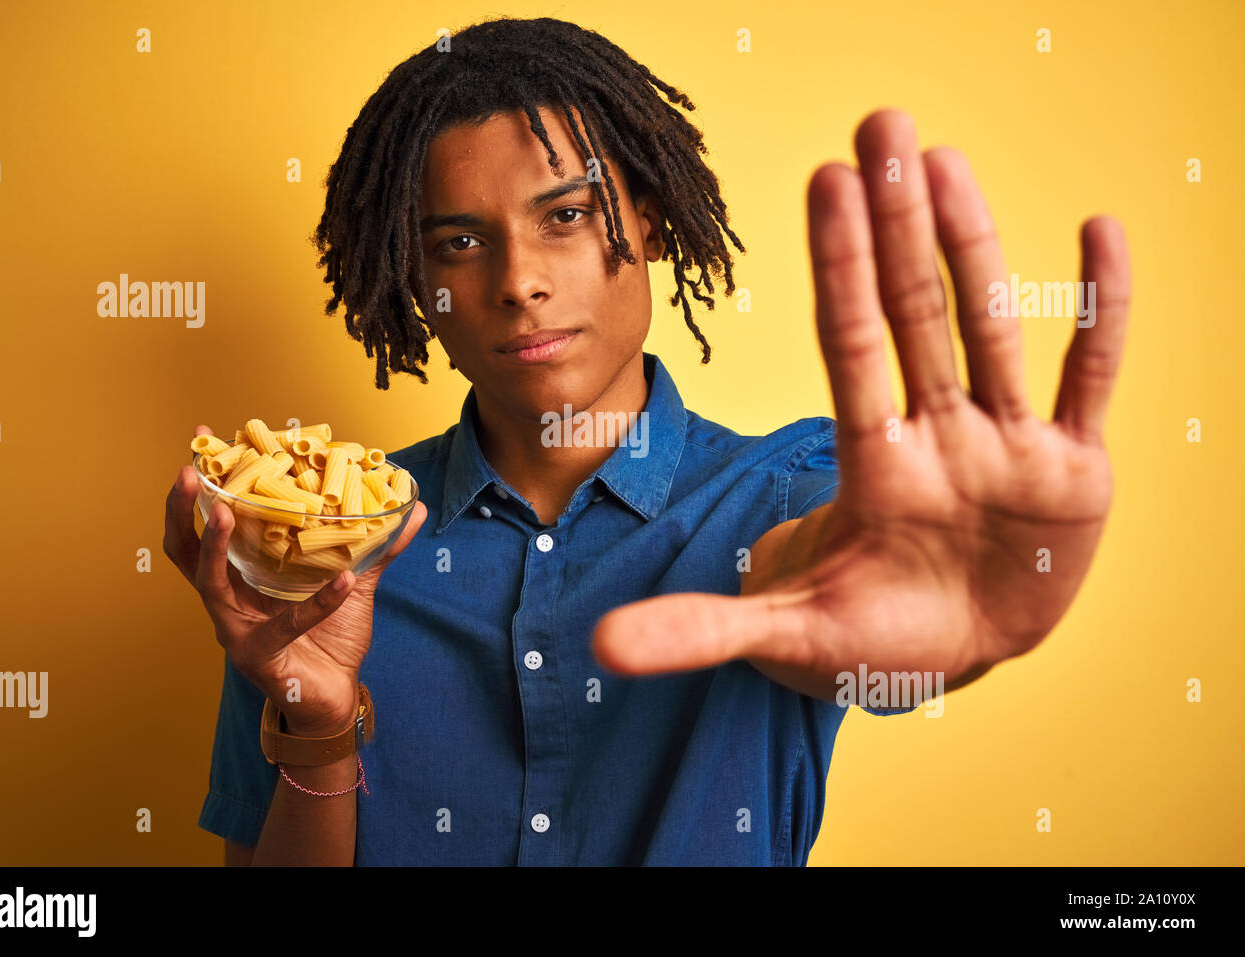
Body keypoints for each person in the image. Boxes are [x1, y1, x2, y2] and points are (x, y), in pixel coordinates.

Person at [163, 16, 1130, 865]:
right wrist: (321, 730)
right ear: (418, 283)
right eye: (459, 242)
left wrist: (939, 604)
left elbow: (816, 575)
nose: (519, 281)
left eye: (568, 216)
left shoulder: (786, 490)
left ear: (652, 219)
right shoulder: (324, 549)